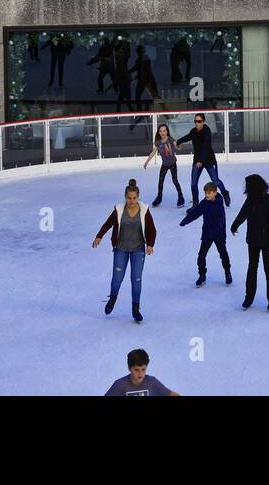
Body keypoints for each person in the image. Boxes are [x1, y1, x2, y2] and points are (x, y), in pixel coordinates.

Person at [93, 183, 156, 322]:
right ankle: (113, 299)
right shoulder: (119, 209)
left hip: (138, 249)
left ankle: (135, 309)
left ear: (138, 197)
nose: (131, 201)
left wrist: (150, 245)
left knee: (136, 279)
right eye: (129, 198)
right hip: (120, 248)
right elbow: (108, 223)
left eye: (134, 198)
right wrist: (99, 236)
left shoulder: (144, 210)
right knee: (117, 278)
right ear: (125, 197)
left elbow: (152, 229)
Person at [231, 173, 269, 311]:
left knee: (268, 269)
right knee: (252, 268)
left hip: (267, 242)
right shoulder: (250, 200)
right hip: (253, 240)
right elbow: (243, 213)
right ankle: (249, 297)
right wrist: (235, 225)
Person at [180, 181, 231, 287]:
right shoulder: (204, 203)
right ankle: (202, 275)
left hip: (218, 234)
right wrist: (186, 220)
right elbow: (195, 212)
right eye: (205, 193)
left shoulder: (219, 203)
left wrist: (218, 232)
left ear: (215, 193)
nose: (207, 195)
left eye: (209, 193)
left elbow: (221, 220)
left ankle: (227, 272)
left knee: (223, 254)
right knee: (201, 256)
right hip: (207, 233)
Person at [176, 114, 229, 207]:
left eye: (199, 121)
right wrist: (178, 141)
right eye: (195, 121)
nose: (197, 123)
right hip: (197, 160)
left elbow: (206, 146)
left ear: (203, 122)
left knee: (215, 181)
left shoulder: (206, 131)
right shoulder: (193, 131)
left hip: (209, 160)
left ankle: (225, 193)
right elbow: (188, 137)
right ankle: (195, 204)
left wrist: (201, 160)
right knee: (193, 183)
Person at [103, 349, 179, 396]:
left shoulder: (152, 382)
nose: (140, 374)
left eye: (143, 369)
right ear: (129, 368)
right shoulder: (120, 385)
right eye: (136, 370)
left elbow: (170, 394)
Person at [142, 124, 184, 208]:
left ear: (167, 131)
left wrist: (180, 146)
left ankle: (180, 196)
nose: (162, 132)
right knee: (160, 181)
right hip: (164, 165)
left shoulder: (170, 139)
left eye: (164, 131)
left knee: (175, 180)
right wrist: (147, 161)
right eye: (160, 131)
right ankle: (159, 198)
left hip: (172, 163)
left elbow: (177, 146)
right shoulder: (158, 142)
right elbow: (153, 153)